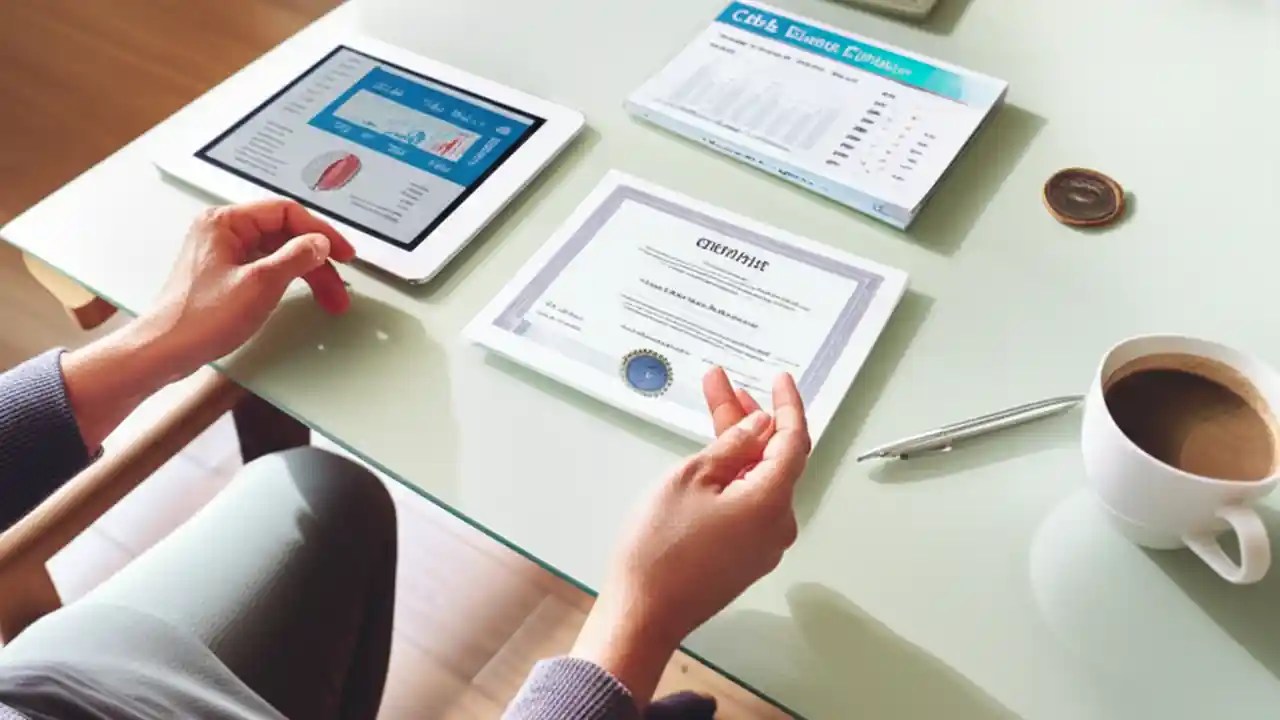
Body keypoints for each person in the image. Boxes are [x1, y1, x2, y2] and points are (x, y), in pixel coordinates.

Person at [0, 201, 810, 720]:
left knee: (325, 490)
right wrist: (638, 621)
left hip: (78, 687)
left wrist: (151, 344)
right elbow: (637, 614)